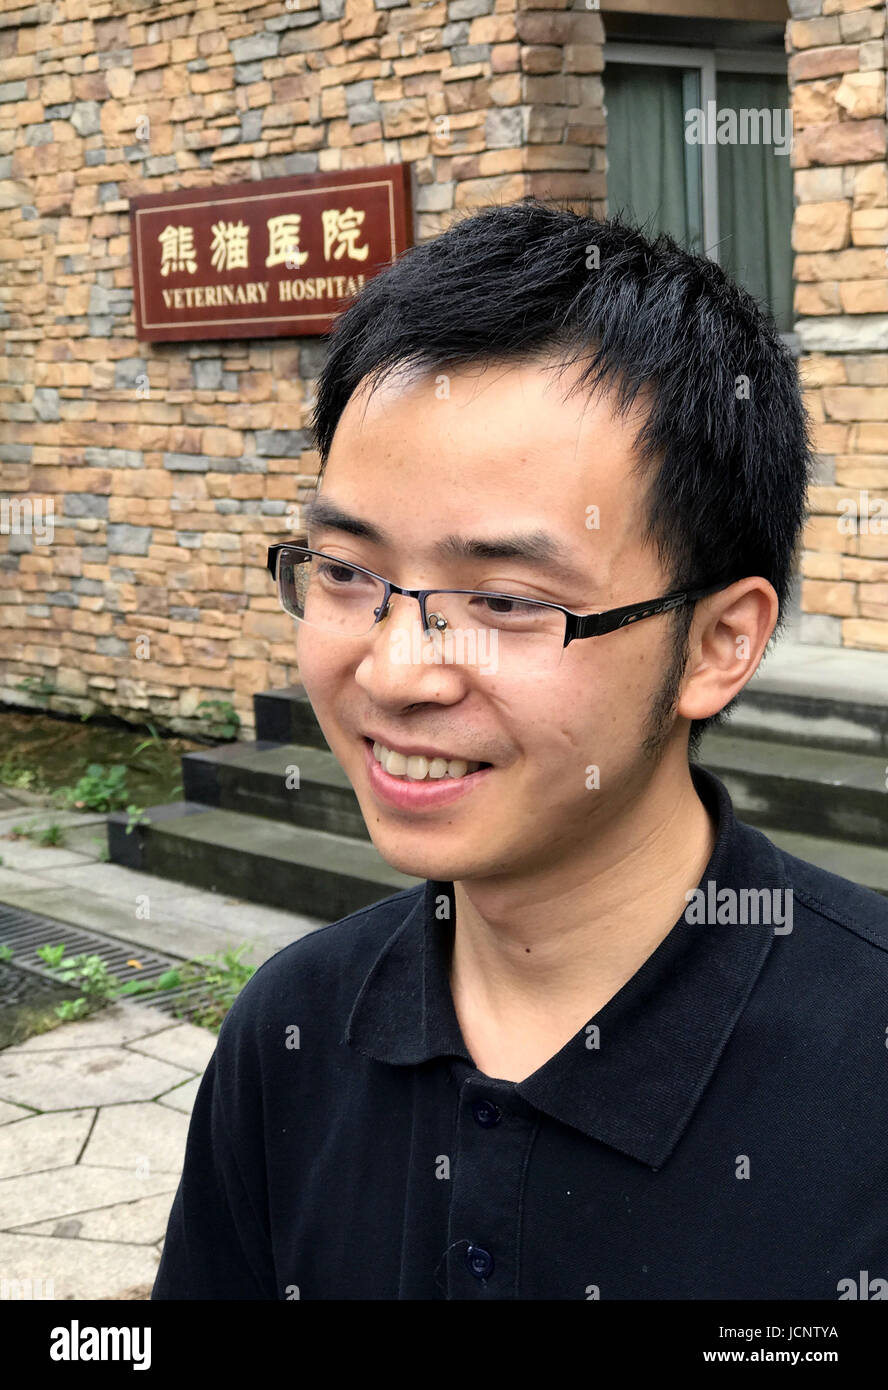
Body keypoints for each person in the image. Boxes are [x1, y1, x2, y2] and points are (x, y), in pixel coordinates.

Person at [152, 201, 888, 1300]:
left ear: (719, 642)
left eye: (502, 598)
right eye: (348, 571)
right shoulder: (293, 1029)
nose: (399, 670)